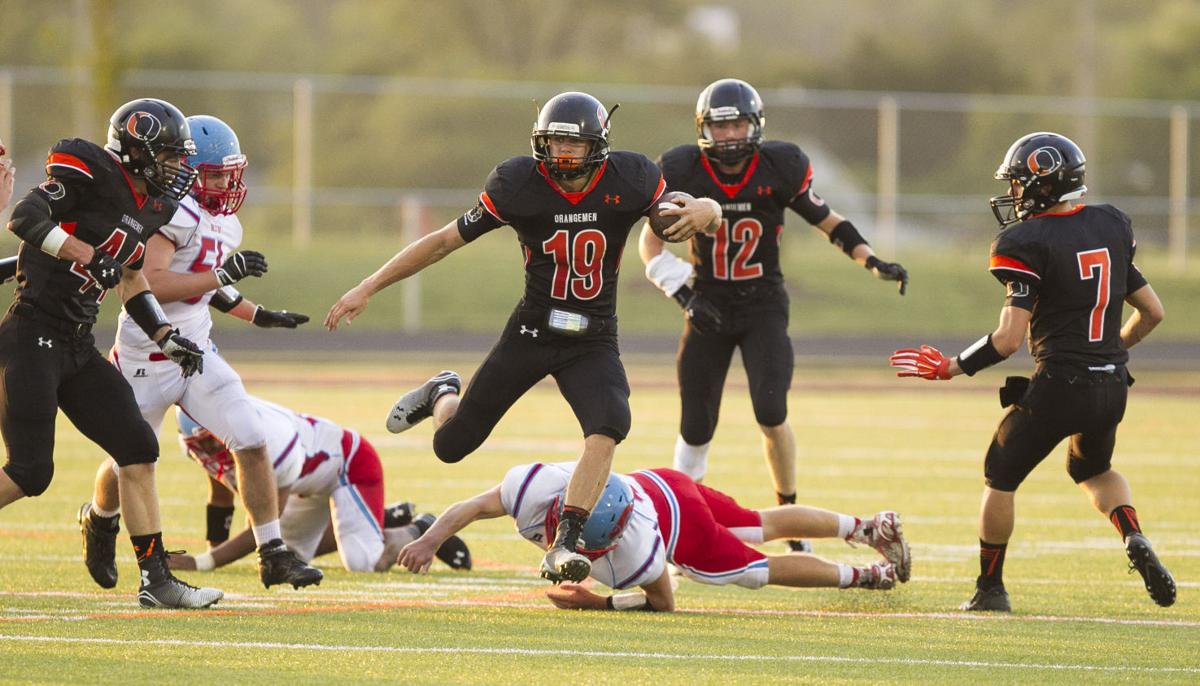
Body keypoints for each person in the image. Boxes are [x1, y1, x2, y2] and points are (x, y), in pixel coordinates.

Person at [325, 91, 722, 584]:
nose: (561, 154)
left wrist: (710, 209)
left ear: (598, 145)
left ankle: (566, 543)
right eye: (554, 142)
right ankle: (442, 393)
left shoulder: (633, 176)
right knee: (451, 446)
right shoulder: (517, 183)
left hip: (593, 337)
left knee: (610, 421)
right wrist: (369, 286)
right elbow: (445, 240)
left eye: (572, 145)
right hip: (532, 330)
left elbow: (687, 210)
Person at [889, 132, 1175, 612]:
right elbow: (1153, 312)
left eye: (1020, 182)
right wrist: (1110, 350)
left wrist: (951, 367)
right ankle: (1133, 536)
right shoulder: (1109, 224)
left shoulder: (1024, 240)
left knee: (1000, 474)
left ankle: (990, 589)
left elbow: (1006, 340)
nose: (1015, 193)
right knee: (1093, 468)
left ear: (1044, 182)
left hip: (1061, 383)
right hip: (1112, 383)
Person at [639, 79, 909, 551]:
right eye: (720, 126)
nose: (729, 136)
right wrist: (683, 294)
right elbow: (651, 243)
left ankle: (790, 515)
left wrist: (872, 260)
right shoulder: (681, 168)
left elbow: (828, 220)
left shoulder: (779, 166)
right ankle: (681, 526)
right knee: (695, 424)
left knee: (771, 411)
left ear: (755, 124)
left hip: (763, 305)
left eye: (737, 124)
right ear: (704, 128)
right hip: (708, 303)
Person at [74, 114, 322, 592]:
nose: (227, 185)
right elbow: (153, 284)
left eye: (231, 174)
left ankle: (272, 553)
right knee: (129, 459)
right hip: (148, 356)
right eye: (216, 175)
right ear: (188, 170)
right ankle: (100, 518)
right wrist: (223, 277)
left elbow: (206, 285)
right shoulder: (169, 213)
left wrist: (258, 313)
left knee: (250, 438)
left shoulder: (226, 224)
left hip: (198, 351)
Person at [1, 98, 221, 608]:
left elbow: (131, 276)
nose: (177, 168)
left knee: (138, 448)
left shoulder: (151, 204)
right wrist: (86, 254)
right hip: (31, 333)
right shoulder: (92, 172)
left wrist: (165, 335)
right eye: (167, 156)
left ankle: (157, 581)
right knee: (30, 473)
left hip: (77, 344)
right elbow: (24, 217)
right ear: (138, 148)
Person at [399, 462, 911, 611]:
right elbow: (470, 507)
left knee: (754, 570)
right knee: (760, 520)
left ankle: (870, 575)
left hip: (672, 526)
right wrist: (429, 540)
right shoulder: (538, 488)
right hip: (664, 483)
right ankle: (866, 527)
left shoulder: (633, 557)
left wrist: (596, 606)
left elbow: (662, 601)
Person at [86, 399, 471, 575]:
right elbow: (220, 492)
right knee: (291, 553)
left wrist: (206, 563)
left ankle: (415, 528)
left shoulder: (264, 442)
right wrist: (212, 545)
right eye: (202, 442)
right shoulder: (205, 437)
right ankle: (386, 516)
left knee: (361, 563)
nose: (209, 449)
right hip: (308, 483)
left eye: (212, 440)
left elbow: (264, 521)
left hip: (352, 468)